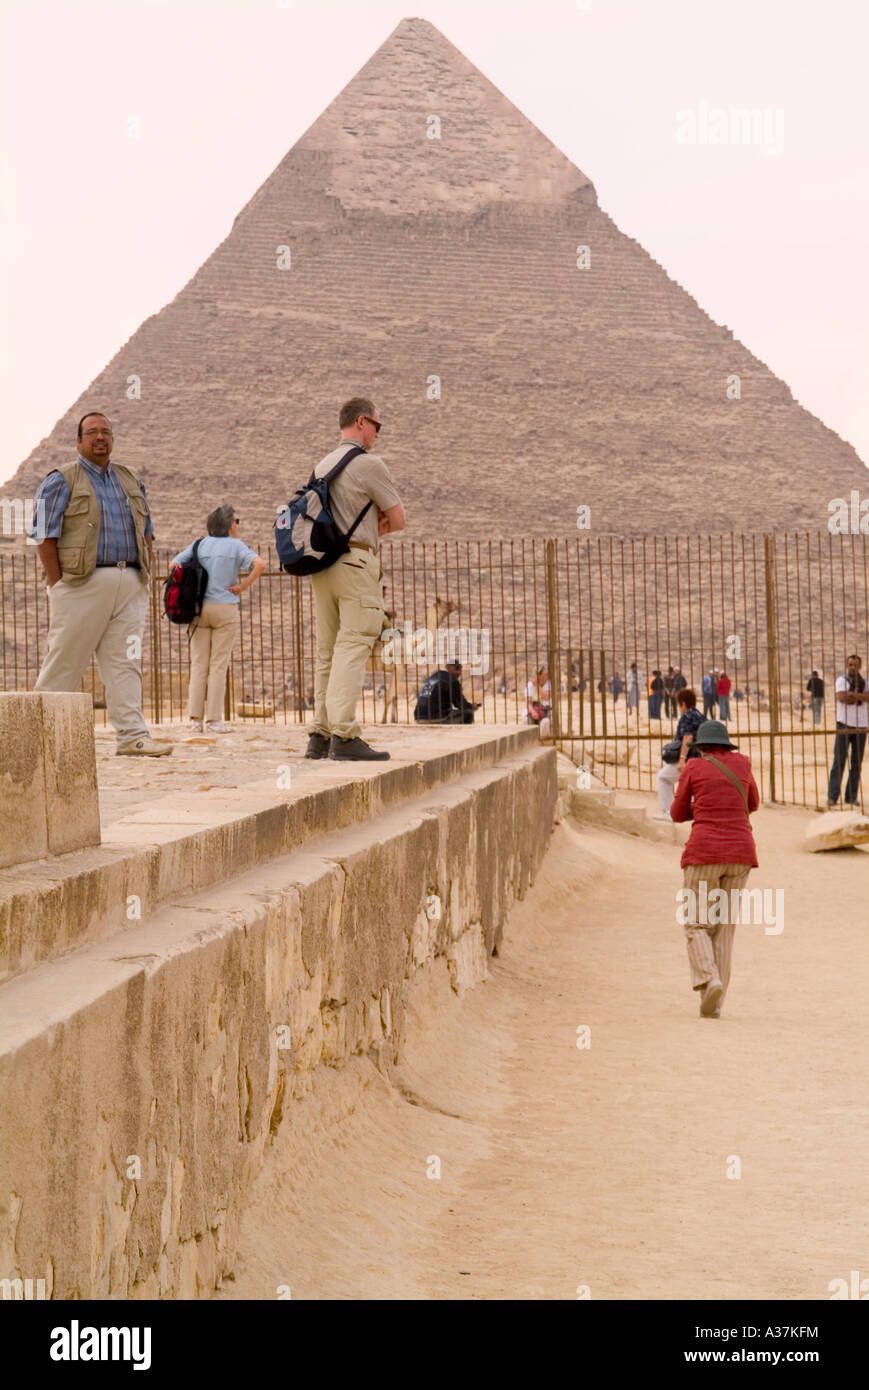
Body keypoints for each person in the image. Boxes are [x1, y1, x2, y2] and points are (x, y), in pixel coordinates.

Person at [30, 411, 170, 756]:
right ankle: (37, 739)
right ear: (79, 441)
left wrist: (144, 575)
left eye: (106, 431)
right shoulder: (62, 479)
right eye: (91, 432)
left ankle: (132, 736)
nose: (100, 437)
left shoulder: (130, 478)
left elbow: (147, 531)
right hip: (82, 584)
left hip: (130, 582)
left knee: (125, 662)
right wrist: (58, 584)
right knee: (65, 661)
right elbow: (42, 535)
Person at [306, 398, 406, 762]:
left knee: (328, 649)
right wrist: (377, 524)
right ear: (362, 422)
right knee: (355, 642)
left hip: (323, 567)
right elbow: (398, 519)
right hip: (356, 562)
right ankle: (345, 736)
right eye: (378, 426)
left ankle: (320, 734)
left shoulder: (322, 465)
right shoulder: (368, 464)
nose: (378, 434)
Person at [670, 721, 760, 1019]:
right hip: (741, 853)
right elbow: (753, 803)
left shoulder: (694, 768)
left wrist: (704, 807)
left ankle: (710, 979)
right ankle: (716, 1003)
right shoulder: (744, 764)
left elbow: (676, 813)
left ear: (702, 746)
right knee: (724, 928)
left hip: (704, 852)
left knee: (697, 923)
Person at [170, 506, 265, 732]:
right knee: (218, 665)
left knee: (199, 665)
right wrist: (242, 586)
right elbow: (260, 564)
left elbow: (173, 565)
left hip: (200, 609)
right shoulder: (236, 546)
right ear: (232, 524)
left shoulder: (200, 544)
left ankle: (195, 720)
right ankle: (214, 721)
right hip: (225, 608)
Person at [655, 686, 704, 818]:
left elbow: (687, 737)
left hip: (689, 759)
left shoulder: (686, 716)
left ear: (682, 703)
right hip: (701, 760)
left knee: (663, 778)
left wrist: (682, 759)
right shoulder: (701, 716)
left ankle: (668, 813)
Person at [826, 654, 869, 808]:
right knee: (839, 761)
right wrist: (861, 696)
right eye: (850, 665)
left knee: (856, 763)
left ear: (860, 666)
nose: (852, 667)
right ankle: (832, 796)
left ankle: (851, 797)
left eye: (855, 665)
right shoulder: (841, 680)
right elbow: (843, 698)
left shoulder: (866, 681)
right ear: (847, 665)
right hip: (844, 724)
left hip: (861, 725)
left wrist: (853, 695)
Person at [414, 660, 479, 723]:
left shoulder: (433, 677)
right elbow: (460, 704)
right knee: (468, 713)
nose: (459, 673)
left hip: (418, 716)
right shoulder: (451, 679)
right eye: (457, 668)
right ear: (450, 668)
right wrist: (471, 707)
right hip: (435, 716)